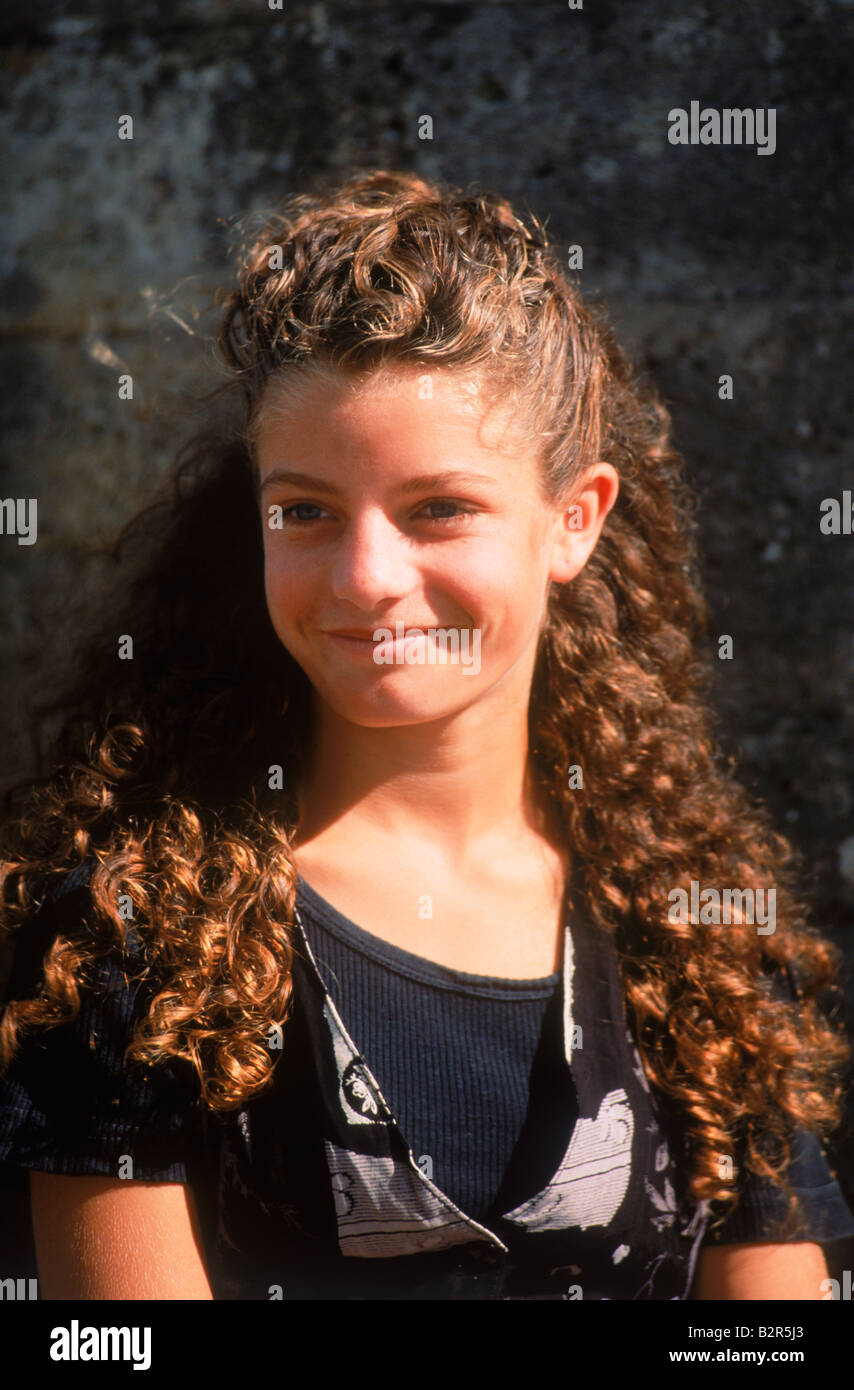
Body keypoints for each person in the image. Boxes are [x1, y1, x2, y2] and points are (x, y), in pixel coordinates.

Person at [0, 168, 852, 1301]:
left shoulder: (698, 944)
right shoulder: (129, 933)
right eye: (304, 510)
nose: (365, 578)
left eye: (438, 508)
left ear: (573, 519)